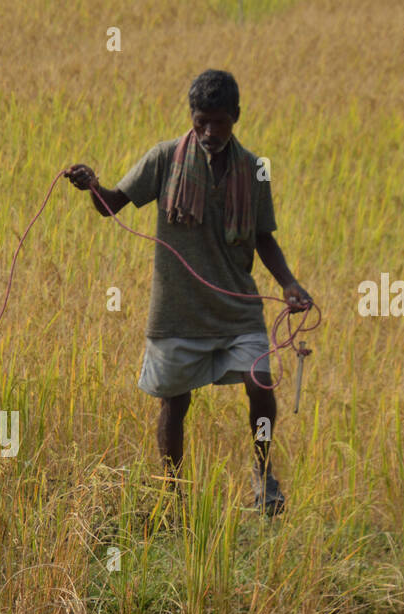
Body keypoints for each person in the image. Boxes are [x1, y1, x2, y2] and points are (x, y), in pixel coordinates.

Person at [66, 68, 312, 517]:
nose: (209, 132)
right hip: (176, 309)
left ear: (235, 117)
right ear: (191, 116)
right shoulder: (164, 159)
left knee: (260, 382)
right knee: (175, 401)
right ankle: (171, 495)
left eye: (219, 122)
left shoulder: (254, 170)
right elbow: (112, 205)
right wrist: (92, 186)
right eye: (201, 121)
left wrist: (289, 284)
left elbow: (263, 237)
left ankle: (262, 475)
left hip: (237, 305)